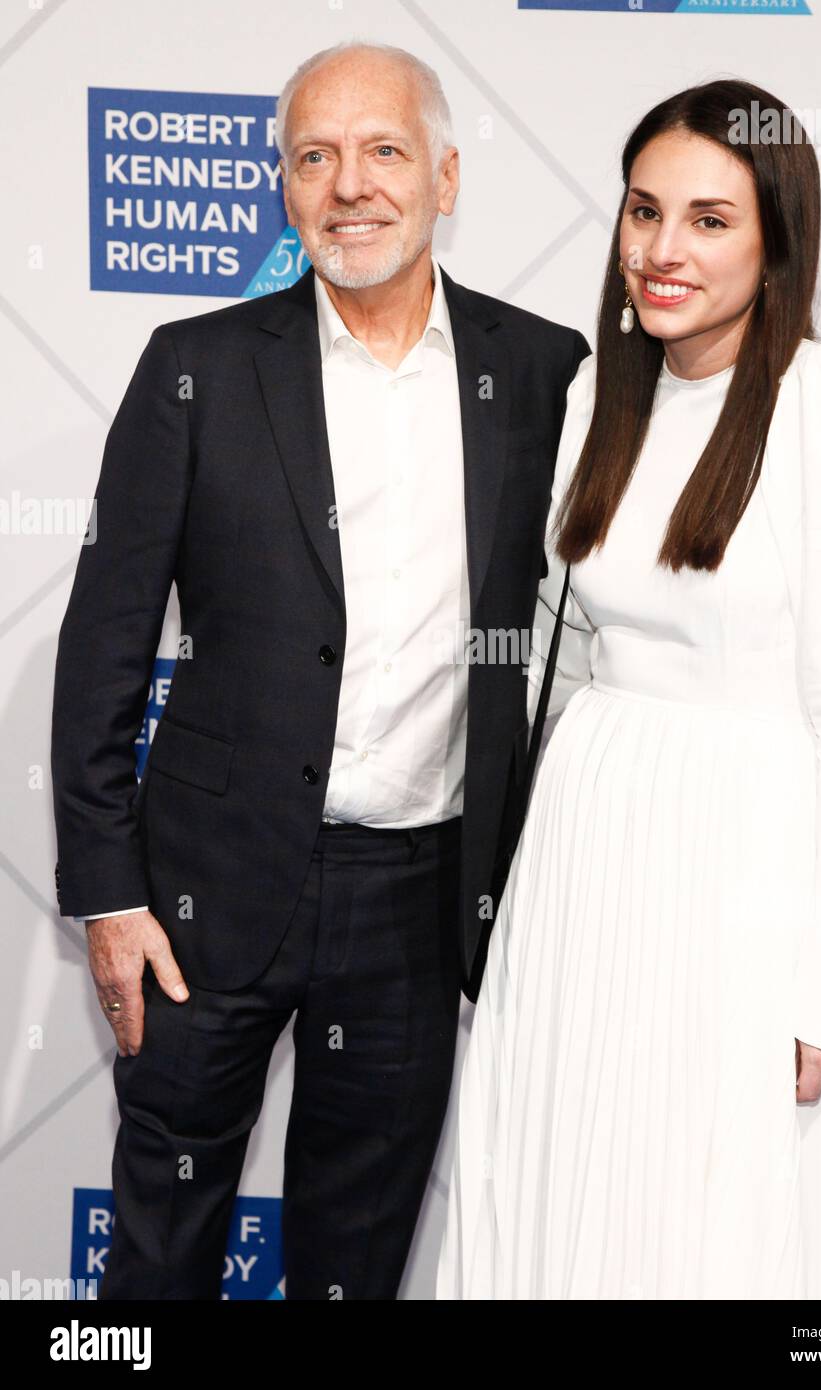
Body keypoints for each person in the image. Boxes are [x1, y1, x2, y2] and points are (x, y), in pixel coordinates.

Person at [50, 40, 588, 1299]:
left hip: (415, 900)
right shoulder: (196, 367)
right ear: (283, 189)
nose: (352, 184)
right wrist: (107, 890)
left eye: (385, 150)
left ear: (446, 175)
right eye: (315, 156)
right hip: (203, 896)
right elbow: (103, 645)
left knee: (355, 1260)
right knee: (157, 1255)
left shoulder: (547, 373)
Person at [436, 78, 821, 1300]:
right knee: (557, 1168)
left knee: (704, 1210)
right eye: (644, 211)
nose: (661, 250)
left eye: (710, 219)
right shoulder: (603, 391)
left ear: (777, 238)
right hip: (584, 845)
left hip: (738, 869)